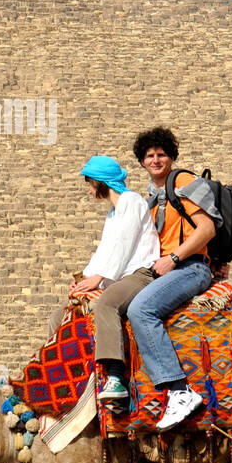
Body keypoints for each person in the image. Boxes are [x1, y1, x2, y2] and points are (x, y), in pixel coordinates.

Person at [86, 129, 221, 424]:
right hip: (164, 270)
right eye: (149, 155)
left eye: (161, 154)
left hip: (189, 267)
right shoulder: (149, 199)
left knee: (141, 308)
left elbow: (207, 229)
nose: (156, 159)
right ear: (142, 162)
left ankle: (178, 390)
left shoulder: (184, 183)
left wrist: (175, 258)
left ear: (171, 156)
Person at [67, 155, 159, 407]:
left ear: (101, 182)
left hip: (140, 275)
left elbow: (123, 245)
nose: (88, 190)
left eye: (90, 183)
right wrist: (85, 279)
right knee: (67, 313)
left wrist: (98, 278)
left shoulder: (132, 201)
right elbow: (104, 251)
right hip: (117, 277)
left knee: (106, 304)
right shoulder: (113, 213)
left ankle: (116, 377)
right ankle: (76, 378)